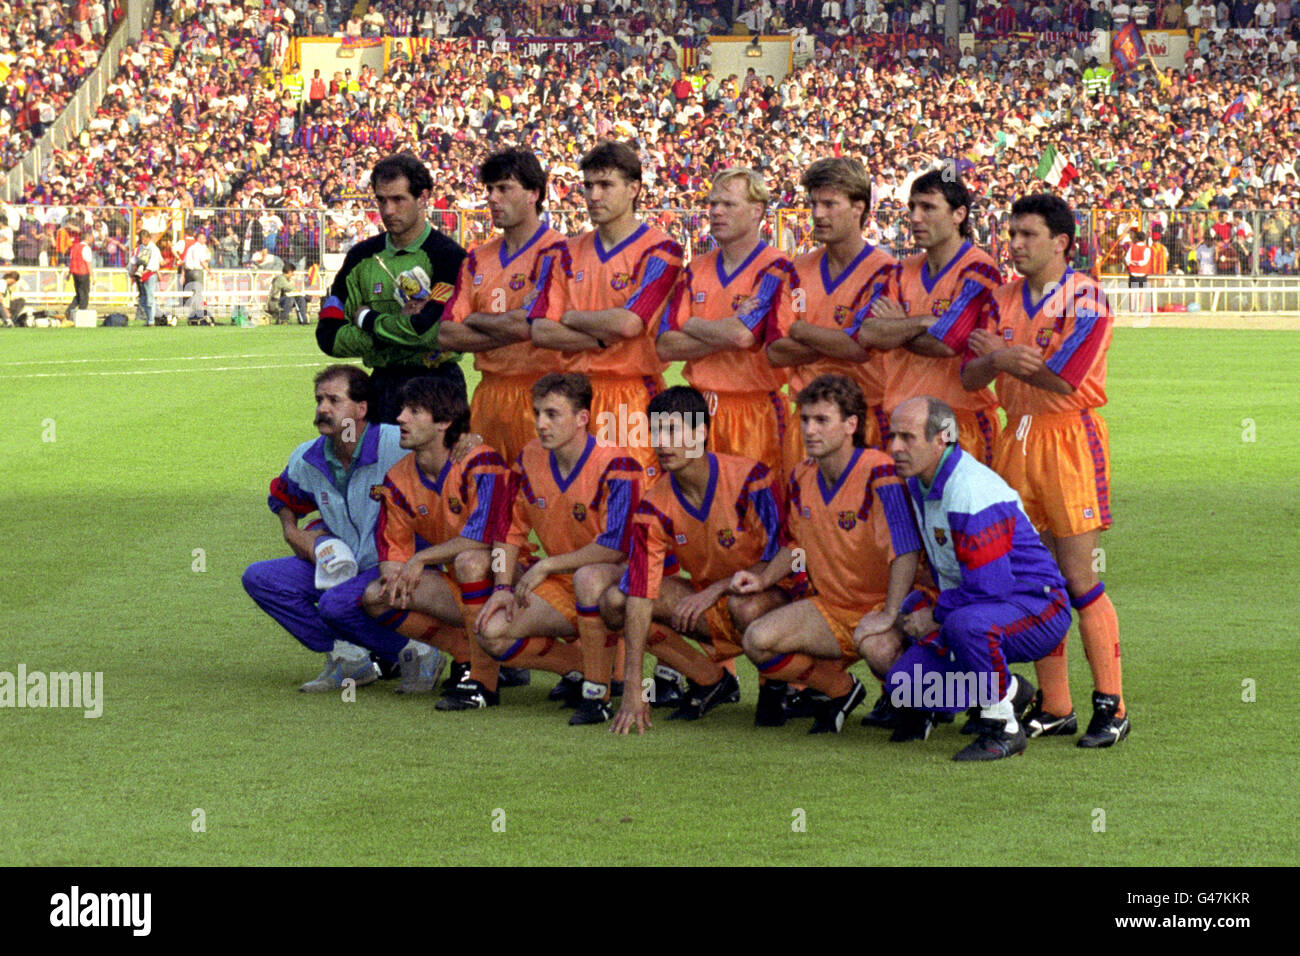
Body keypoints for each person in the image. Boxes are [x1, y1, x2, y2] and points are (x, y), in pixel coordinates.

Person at [962, 193, 1130, 749]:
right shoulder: (1000, 297)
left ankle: (1112, 706)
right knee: (1034, 580)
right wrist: (1004, 360)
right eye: (1012, 234)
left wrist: (1002, 358)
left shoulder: (1087, 299)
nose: (1015, 244)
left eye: (1028, 235)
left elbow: (1066, 377)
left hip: (1068, 439)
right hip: (1016, 437)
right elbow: (968, 376)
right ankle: (1057, 706)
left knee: (1078, 578)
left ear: (1061, 242)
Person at [863, 396, 1070, 760]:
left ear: (941, 438)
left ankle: (1002, 726)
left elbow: (992, 586)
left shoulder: (969, 490)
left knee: (965, 625)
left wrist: (936, 614)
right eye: (892, 436)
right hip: (984, 601)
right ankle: (1009, 691)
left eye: (907, 437)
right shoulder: (919, 481)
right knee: (906, 686)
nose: (895, 447)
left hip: (1038, 605)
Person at [733, 374, 925, 734]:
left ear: (851, 424)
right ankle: (841, 690)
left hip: (883, 606)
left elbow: (907, 551)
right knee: (757, 641)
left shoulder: (879, 472)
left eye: (822, 420)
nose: (809, 430)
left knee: (881, 649)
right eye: (805, 419)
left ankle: (920, 705)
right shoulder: (802, 475)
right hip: (833, 608)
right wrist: (762, 578)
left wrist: (889, 613)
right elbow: (796, 547)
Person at [606, 386, 787, 734]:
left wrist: (719, 588)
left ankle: (780, 685)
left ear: (702, 432)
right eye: (656, 431)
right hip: (712, 605)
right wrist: (633, 688)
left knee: (745, 606)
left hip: (772, 600)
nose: (662, 442)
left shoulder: (752, 480)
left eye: (673, 431)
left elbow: (788, 555)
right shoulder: (653, 504)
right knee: (616, 600)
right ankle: (709, 677)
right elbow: (641, 593)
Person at [475, 372, 640, 725]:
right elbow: (509, 531)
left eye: (552, 414)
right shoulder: (528, 458)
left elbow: (615, 547)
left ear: (582, 418)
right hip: (565, 582)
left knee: (588, 577)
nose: (541, 424)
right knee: (492, 633)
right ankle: (587, 665)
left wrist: (547, 566)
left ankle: (597, 695)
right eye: (537, 413)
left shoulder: (618, 464)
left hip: (615, 582)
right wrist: (503, 588)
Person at [241, 366, 413, 692]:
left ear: (361, 409)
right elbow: (282, 496)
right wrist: (292, 532)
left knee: (336, 604)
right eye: (320, 399)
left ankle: (412, 650)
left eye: (335, 400)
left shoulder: (398, 444)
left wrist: (467, 441)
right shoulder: (307, 457)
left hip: (394, 564)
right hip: (342, 565)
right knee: (261, 579)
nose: (323, 408)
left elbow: (448, 461)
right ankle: (350, 657)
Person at [527, 140, 683, 478]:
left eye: (605, 185)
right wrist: (599, 337)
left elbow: (629, 324)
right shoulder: (565, 253)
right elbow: (540, 330)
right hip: (572, 396)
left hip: (633, 396)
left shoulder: (661, 250)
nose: (593, 195)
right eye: (588, 186)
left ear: (633, 189)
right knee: (579, 501)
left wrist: (570, 318)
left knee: (634, 496)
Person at [360, 376, 512, 704]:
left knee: (470, 561)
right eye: (402, 409)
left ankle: (487, 678)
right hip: (461, 585)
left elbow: (485, 537)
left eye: (414, 411)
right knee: (378, 596)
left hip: (511, 578)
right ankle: (466, 653)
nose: (400, 418)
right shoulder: (398, 478)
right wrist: (395, 575)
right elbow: (391, 552)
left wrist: (421, 559)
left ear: (444, 422)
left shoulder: (482, 462)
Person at [851, 170, 1004, 465]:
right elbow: (868, 333)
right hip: (902, 421)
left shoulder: (980, 270)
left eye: (928, 207)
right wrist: (923, 322)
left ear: (959, 214)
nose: (916, 217)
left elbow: (949, 343)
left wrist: (897, 328)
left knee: (958, 511)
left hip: (957, 422)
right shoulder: (900, 270)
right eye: (913, 208)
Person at [656, 167, 795, 486]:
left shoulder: (778, 268)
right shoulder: (695, 269)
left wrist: (691, 324)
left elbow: (743, 336)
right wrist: (727, 330)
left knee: (754, 512)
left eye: (728, 204)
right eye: (713, 203)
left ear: (757, 210)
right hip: (696, 410)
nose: (716, 211)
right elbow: (665, 345)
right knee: (695, 510)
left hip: (754, 412)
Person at [764, 158, 896, 472]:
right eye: (814, 204)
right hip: (805, 422)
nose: (818, 214)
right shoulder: (796, 271)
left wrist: (802, 331)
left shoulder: (887, 274)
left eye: (830, 204)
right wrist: (842, 339)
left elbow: (859, 349)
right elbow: (774, 352)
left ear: (859, 207)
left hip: (865, 421)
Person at [317, 153, 469, 423]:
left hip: (439, 386)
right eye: (381, 200)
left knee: (437, 467)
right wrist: (399, 329)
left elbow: (431, 332)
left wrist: (366, 320)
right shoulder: (359, 257)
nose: (387, 210)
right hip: (381, 389)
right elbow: (328, 335)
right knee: (377, 465)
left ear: (422, 198)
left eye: (398, 199)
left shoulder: (449, 256)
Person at [439, 148, 567, 464]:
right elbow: (446, 334)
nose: (493, 198)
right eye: (490, 189)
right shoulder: (476, 258)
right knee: (483, 495)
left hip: (543, 396)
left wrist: (478, 319)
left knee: (539, 499)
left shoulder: (560, 252)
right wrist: (516, 323)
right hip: (488, 398)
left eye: (504, 188)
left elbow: (534, 327)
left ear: (533, 194)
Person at [129, 231, 161, 326]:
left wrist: (145, 271)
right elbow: (134, 259)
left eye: (145, 238)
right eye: (142, 239)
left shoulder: (153, 248)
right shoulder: (140, 248)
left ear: (149, 238)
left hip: (150, 274)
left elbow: (154, 262)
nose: (144, 240)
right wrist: (134, 269)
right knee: (144, 298)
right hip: (141, 274)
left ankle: (151, 320)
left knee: (150, 297)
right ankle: (148, 319)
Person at [64, 224, 93, 323]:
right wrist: (93, 276)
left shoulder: (74, 247)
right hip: (83, 273)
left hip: (75, 273)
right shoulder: (86, 248)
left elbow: (71, 261)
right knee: (84, 294)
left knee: (79, 294)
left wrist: (69, 274)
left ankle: (69, 310)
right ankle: (82, 314)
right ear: (88, 238)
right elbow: (88, 263)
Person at [180, 231, 211, 321]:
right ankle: (197, 313)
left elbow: (184, 262)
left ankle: (192, 311)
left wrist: (183, 275)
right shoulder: (199, 248)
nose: (205, 240)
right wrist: (210, 272)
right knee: (198, 293)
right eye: (203, 238)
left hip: (189, 272)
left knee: (192, 292)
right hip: (197, 271)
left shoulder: (191, 248)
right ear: (198, 239)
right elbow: (202, 261)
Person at [1124, 228, 1153, 313]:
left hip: (1133, 273)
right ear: (1144, 239)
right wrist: (1138, 263)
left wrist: (1132, 262)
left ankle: (1132, 309)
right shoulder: (1147, 249)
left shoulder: (1132, 247)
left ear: (1136, 238)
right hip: (1142, 274)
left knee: (1133, 292)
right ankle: (1141, 309)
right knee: (1142, 292)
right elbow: (1144, 261)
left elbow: (1127, 259)